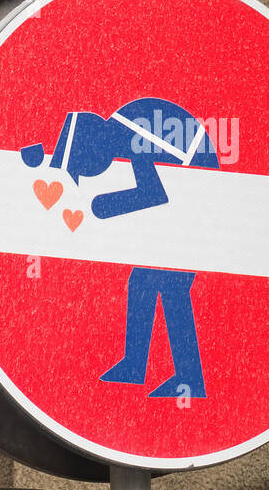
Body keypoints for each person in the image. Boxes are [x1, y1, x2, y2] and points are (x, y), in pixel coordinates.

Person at [20, 97, 218, 397]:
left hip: (199, 202)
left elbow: (153, 193)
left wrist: (104, 204)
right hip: (188, 200)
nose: (89, 176)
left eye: (85, 170)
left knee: (171, 285)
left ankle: (188, 377)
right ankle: (135, 366)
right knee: (143, 279)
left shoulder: (132, 133)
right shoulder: (124, 128)